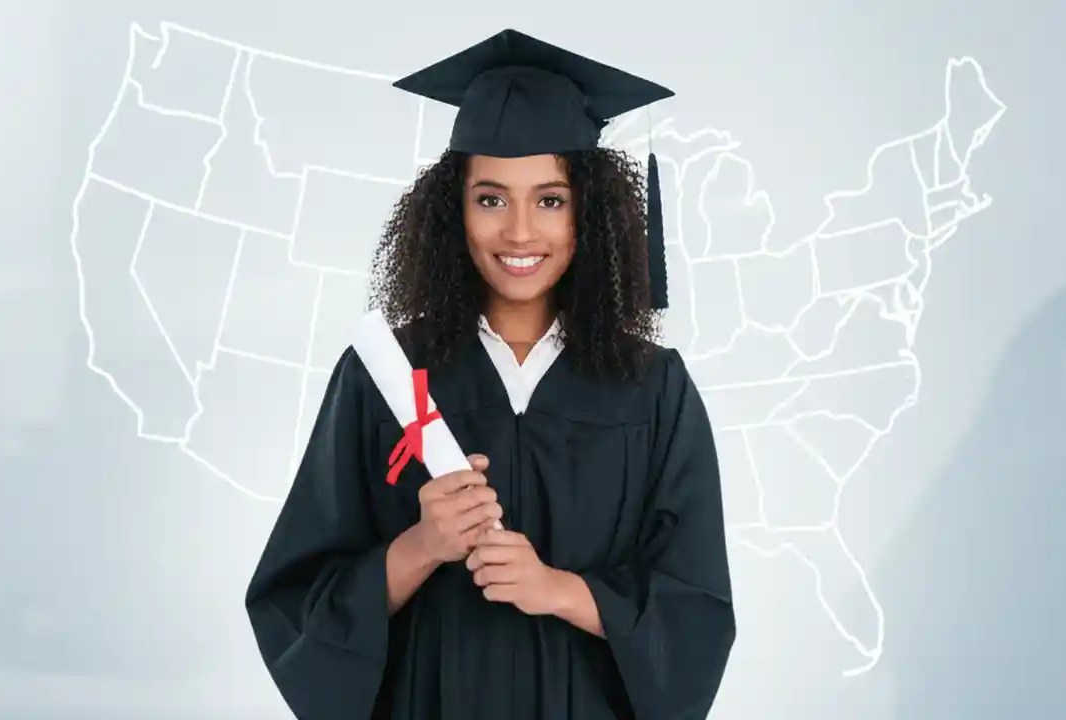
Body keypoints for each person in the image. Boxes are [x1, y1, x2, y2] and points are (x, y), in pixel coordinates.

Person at [244, 28, 736, 719]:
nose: (520, 232)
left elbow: (697, 608)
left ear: (589, 211)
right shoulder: (385, 377)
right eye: (491, 198)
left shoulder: (652, 387)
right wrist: (421, 547)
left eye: (551, 199)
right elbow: (292, 604)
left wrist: (561, 591)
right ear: (453, 209)